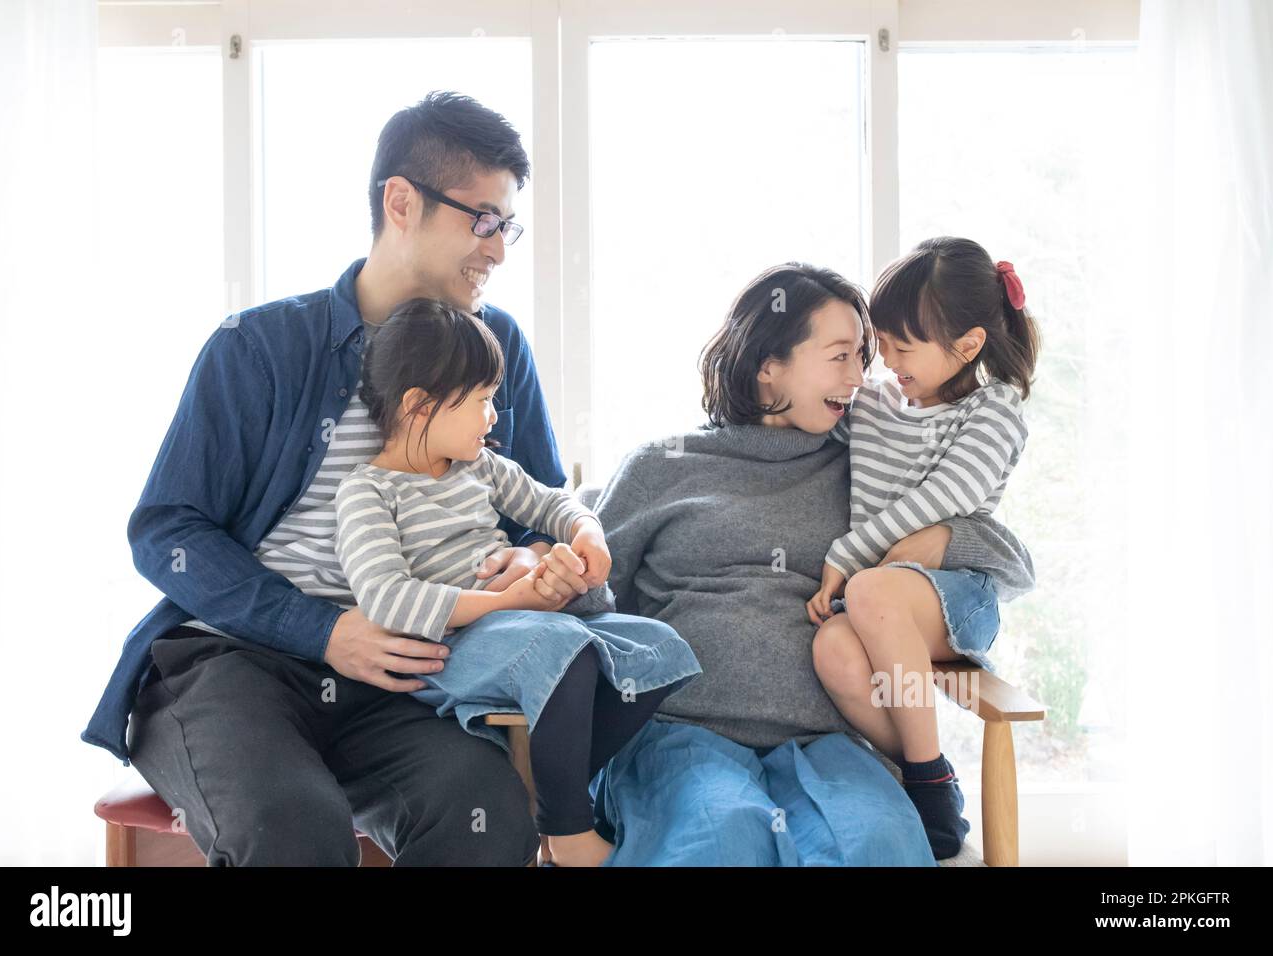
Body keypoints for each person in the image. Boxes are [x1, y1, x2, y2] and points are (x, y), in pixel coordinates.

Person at [81, 91, 594, 865]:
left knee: (486, 813)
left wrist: (529, 559)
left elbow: (536, 507)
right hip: (234, 661)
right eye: (483, 220)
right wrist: (323, 631)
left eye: (506, 226)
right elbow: (167, 531)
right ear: (401, 202)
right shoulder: (259, 347)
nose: (497, 249)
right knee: (293, 827)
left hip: (404, 680)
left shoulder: (499, 346)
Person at [587, 262, 1037, 865]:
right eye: (840, 355)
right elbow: (588, 601)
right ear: (770, 366)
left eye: (863, 354)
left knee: (876, 844)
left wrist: (943, 538)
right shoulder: (660, 466)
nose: (861, 375)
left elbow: (1012, 564)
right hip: (682, 733)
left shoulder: (866, 460)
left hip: (828, 743)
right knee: (722, 838)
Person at [333, 299, 701, 866]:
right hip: (449, 645)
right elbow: (386, 598)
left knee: (659, 646)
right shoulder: (368, 492)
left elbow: (553, 501)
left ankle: (550, 794)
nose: (494, 416)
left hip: (522, 624)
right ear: (418, 406)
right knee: (562, 647)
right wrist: (507, 600)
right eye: (481, 400)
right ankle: (569, 830)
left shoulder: (479, 467)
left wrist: (588, 533)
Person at [806, 236, 1041, 860]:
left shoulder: (996, 410)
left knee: (872, 587)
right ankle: (925, 770)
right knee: (833, 650)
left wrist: (846, 554)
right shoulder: (876, 402)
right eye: (879, 341)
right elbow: (811, 408)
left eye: (902, 347)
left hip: (958, 600)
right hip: (877, 602)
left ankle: (929, 791)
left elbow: (943, 497)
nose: (884, 360)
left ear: (967, 347)